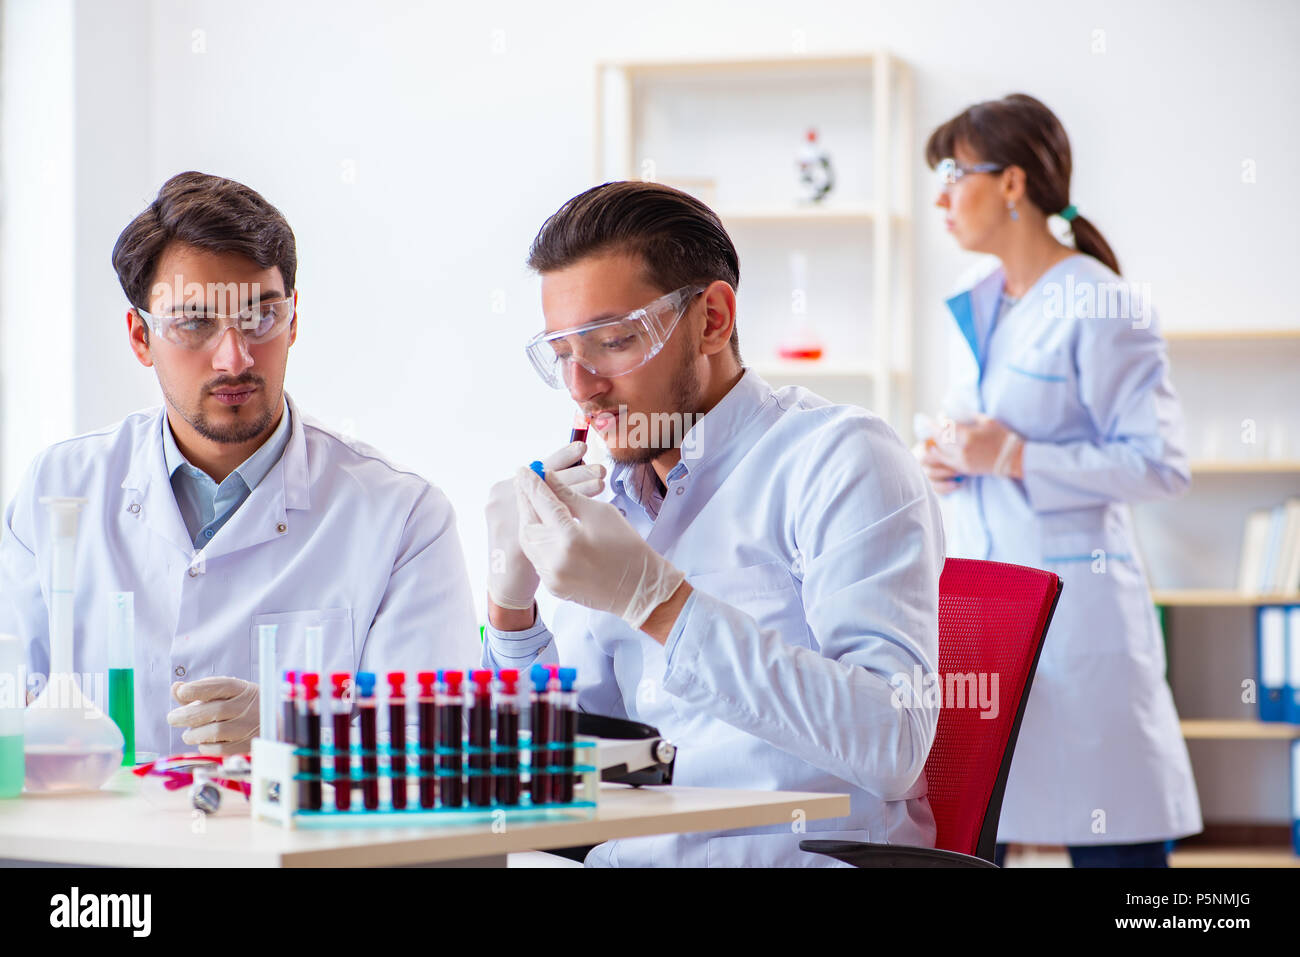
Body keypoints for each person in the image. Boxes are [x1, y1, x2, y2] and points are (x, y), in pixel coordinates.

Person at [482, 181, 946, 867]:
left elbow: (894, 743)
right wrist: (511, 608)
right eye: (561, 356)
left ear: (712, 319)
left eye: (611, 341)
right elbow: (553, 774)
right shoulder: (611, 503)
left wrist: (661, 603)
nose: (581, 386)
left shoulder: (840, 458)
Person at [0, 172, 478, 757]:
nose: (234, 357)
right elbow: (10, 713)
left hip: (297, 850)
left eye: (260, 316)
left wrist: (301, 729)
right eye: (194, 322)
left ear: (294, 320)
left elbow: (442, 749)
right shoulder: (59, 491)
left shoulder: (402, 516)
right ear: (140, 336)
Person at [918, 94, 1202, 867]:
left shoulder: (1102, 303)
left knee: (1115, 842)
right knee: (978, 831)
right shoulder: (977, 306)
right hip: (986, 608)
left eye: (953, 175)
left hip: (1080, 615)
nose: (941, 197)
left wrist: (1014, 457)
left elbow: (1161, 464)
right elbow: (972, 430)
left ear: (1012, 183)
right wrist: (947, 454)